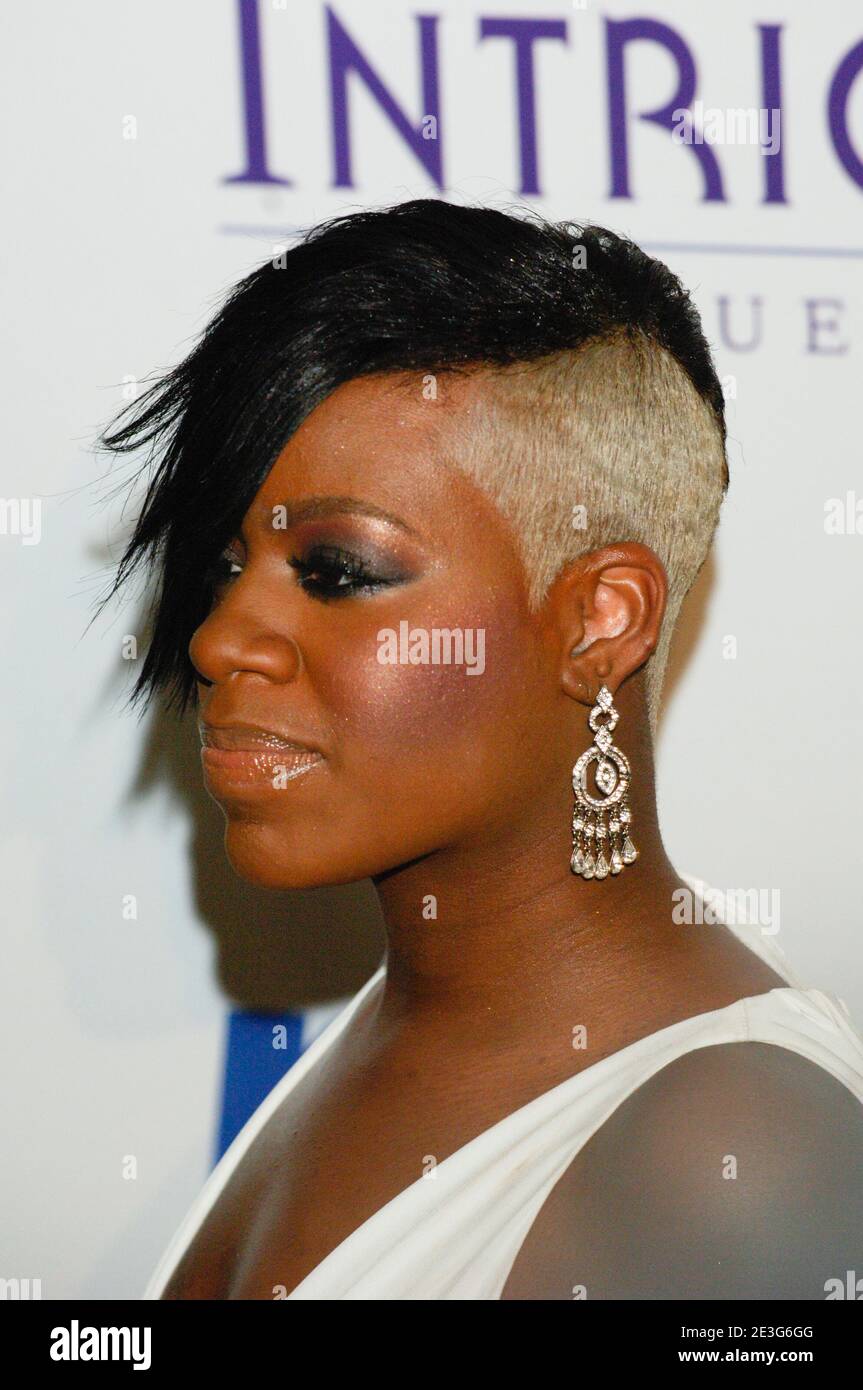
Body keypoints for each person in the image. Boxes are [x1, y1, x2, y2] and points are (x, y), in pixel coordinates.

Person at [97, 199, 863, 1300]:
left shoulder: (730, 1158)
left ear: (599, 622)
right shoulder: (394, 1026)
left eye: (339, 572)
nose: (219, 642)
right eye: (225, 567)